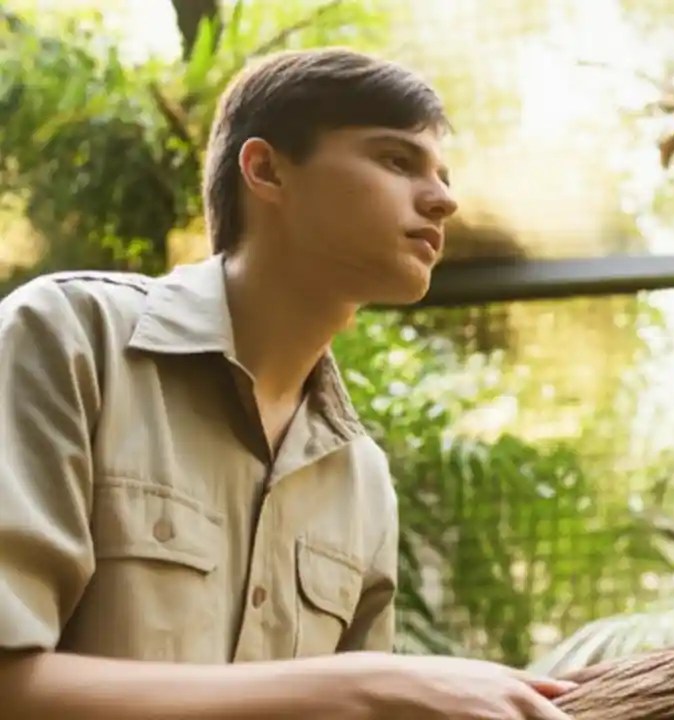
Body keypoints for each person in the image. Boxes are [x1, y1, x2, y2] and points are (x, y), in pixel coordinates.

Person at [0, 47, 586, 719]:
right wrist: (366, 685)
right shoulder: (69, 337)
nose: (444, 200)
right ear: (266, 169)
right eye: (397, 161)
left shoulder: (359, 478)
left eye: (443, 174)